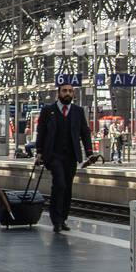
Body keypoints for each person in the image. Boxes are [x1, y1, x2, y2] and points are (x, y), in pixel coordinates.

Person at [35, 82, 93, 233]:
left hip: (71, 155)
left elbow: (85, 132)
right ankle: (57, 220)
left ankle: (63, 218)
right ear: (58, 93)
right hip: (54, 155)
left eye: (70, 91)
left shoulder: (78, 111)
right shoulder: (49, 111)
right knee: (59, 184)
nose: (68, 93)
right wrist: (39, 153)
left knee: (67, 187)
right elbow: (41, 132)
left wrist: (89, 152)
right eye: (65, 91)